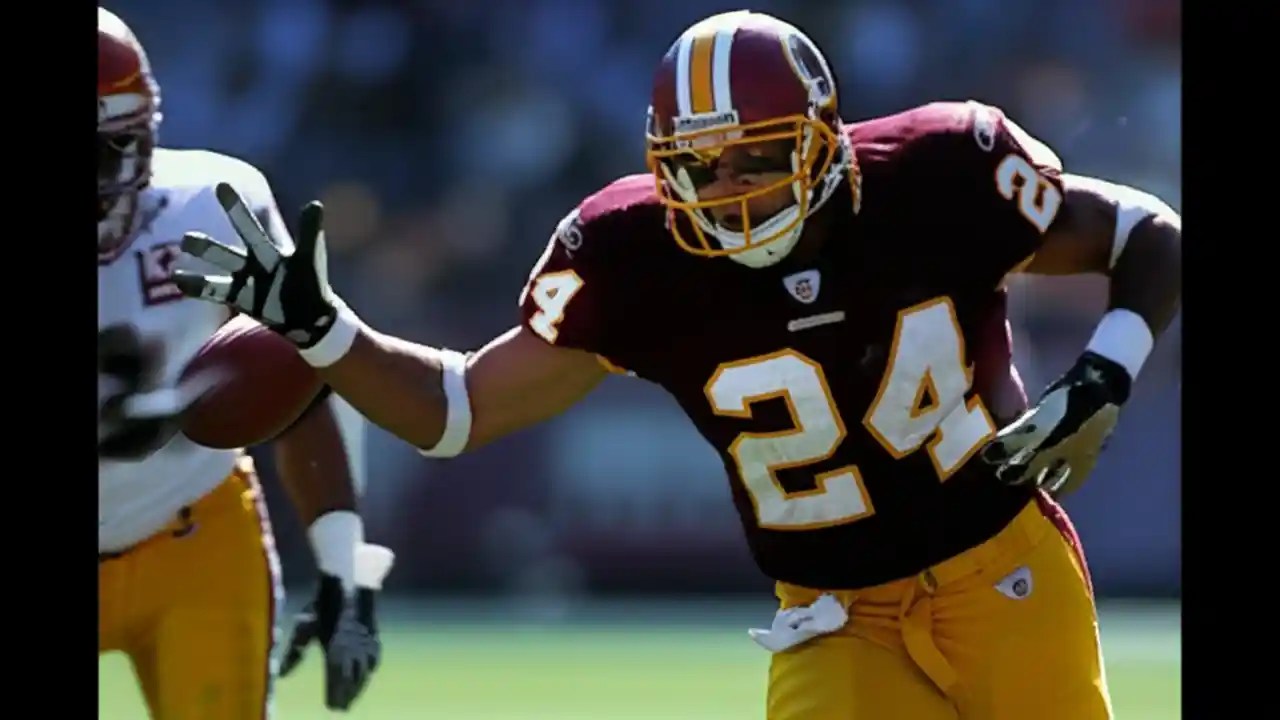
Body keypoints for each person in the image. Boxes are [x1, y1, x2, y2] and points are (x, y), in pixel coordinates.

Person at [175, 9, 1181, 719]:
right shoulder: (627, 255)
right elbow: (456, 409)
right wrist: (323, 330)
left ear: (826, 140)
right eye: (700, 166)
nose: (730, 189)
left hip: (1000, 567)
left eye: (757, 157)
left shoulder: (938, 170)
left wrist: (1105, 371)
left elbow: (1146, 232)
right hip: (832, 617)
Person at [97, 7, 391, 716]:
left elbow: (303, 375)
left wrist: (343, 561)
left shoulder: (211, 205)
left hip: (191, 536)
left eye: (100, 153)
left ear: (142, 137)